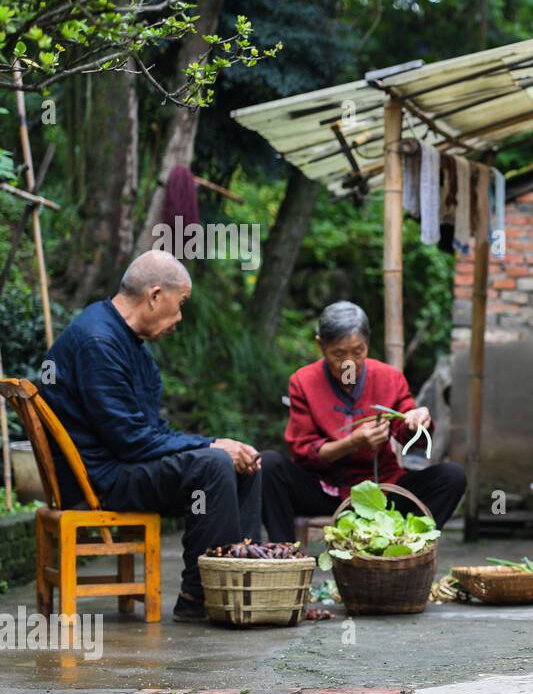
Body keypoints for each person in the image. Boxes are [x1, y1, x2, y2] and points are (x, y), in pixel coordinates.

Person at [40, 251, 263, 622]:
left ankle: (247, 581)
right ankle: (201, 594)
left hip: (124, 465)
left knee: (248, 462)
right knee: (214, 463)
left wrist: (221, 445)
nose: (178, 319)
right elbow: (131, 441)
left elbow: (149, 432)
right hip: (101, 480)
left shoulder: (128, 342)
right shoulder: (98, 341)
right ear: (156, 296)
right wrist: (211, 445)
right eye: (180, 306)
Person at [260, 301, 466, 540]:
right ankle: (284, 557)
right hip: (326, 491)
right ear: (320, 345)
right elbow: (304, 452)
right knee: (269, 464)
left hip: (383, 492)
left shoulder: (389, 377)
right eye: (339, 354)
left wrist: (418, 422)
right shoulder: (303, 381)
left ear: (368, 344)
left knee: (452, 476)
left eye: (358, 352)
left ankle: (410, 548)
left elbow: (409, 434)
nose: (349, 363)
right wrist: (352, 442)